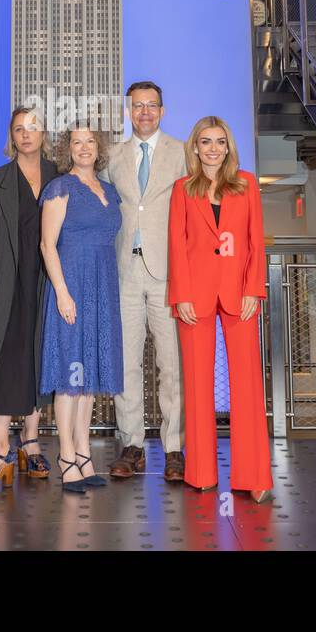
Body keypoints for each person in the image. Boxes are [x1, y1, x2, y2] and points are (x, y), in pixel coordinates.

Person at [167, 116, 273, 502]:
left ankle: (254, 476)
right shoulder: (182, 189)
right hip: (194, 298)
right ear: (194, 147)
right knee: (197, 385)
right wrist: (180, 295)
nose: (213, 148)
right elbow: (177, 245)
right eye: (206, 141)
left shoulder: (246, 185)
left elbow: (255, 243)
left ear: (229, 147)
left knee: (247, 386)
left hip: (239, 296)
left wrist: (253, 289)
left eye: (220, 142)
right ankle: (201, 473)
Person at [0, 107, 59, 495]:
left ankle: (32, 439)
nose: (26, 135)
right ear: (11, 136)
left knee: (41, 356)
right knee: (6, 357)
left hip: (49, 282)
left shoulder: (60, 176)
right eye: (19, 129)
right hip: (8, 283)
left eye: (33, 128)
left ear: (43, 134)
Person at [106, 81, 189, 482]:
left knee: (172, 366)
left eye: (151, 105)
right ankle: (132, 445)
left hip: (169, 274)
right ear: (127, 111)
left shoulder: (182, 153)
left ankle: (174, 448)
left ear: (162, 110)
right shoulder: (114, 156)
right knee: (126, 366)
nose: (144, 112)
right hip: (124, 273)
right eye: (137, 106)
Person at [38, 127, 123, 493]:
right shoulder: (60, 187)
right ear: (67, 150)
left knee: (88, 378)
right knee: (70, 373)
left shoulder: (110, 190)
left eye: (90, 142)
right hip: (71, 282)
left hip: (103, 285)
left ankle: (85, 453)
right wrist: (61, 292)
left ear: (98, 149)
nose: (84, 148)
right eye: (77, 142)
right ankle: (66, 456)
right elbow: (46, 244)